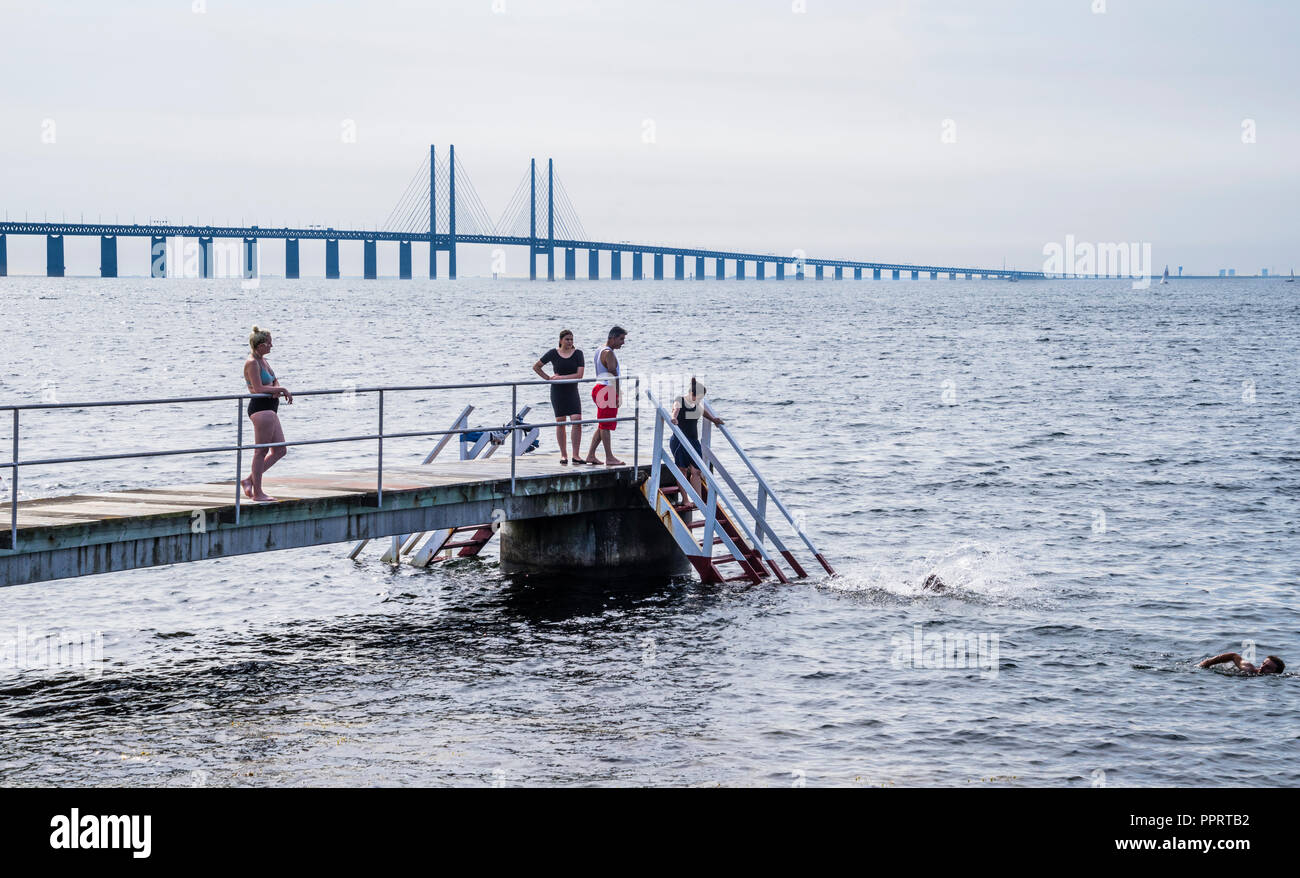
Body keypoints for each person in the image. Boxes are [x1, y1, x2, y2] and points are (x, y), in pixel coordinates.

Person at [241, 326, 293, 502]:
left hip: (271, 408)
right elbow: (258, 388)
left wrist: (277, 388)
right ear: (260, 345)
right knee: (261, 451)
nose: (272, 346)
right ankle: (258, 493)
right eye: (269, 343)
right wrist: (281, 389)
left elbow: (274, 380)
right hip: (261, 409)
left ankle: (249, 480)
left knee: (280, 450)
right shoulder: (252, 362)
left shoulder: (263, 360)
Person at [532, 330, 585, 464]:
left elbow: (579, 375)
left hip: (572, 390)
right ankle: (563, 455)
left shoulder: (578, 353)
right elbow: (536, 367)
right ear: (561, 340)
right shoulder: (553, 353)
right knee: (560, 421)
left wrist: (561, 378)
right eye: (567, 339)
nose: (570, 342)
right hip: (558, 391)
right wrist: (548, 378)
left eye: (571, 339)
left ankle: (576, 455)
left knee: (577, 420)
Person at [669, 378, 724, 497]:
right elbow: (675, 410)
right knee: (683, 470)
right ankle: (685, 499)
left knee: (697, 471)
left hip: (694, 441)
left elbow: (702, 411)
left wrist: (713, 419)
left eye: (701, 398)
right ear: (691, 394)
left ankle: (697, 501)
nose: (699, 400)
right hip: (680, 441)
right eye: (698, 397)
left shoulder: (696, 404)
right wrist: (674, 418)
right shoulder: (680, 400)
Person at [583, 326, 628, 467]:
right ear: (613, 338)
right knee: (606, 425)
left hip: (599, 388)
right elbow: (613, 374)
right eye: (621, 339)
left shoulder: (600, 349)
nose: (623, 342)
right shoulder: (609, 353)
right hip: (607, 390)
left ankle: (591, 455)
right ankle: (609, 457)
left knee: (603, 425)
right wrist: (618, 393)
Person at [1198, 652, 1285, 675]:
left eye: (1268, 668)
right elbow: (1233, 655)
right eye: (1263, 664)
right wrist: (1206, 663)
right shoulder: (1249, 669)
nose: (1262, 667)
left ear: (1275, 673)